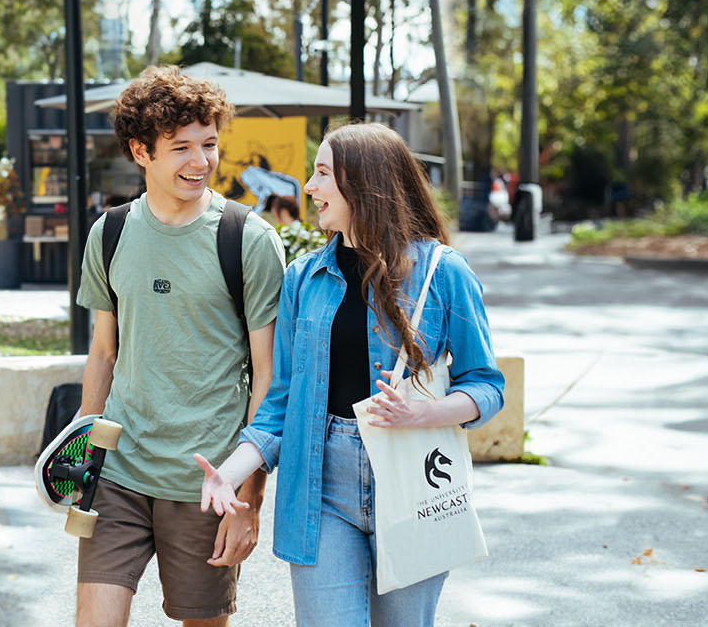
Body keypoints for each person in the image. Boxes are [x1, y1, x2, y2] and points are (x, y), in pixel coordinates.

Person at [193, 122, 505, 627]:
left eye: (321, 174)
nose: (309, 188)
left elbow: (487, 386)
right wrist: (230, 473)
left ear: (365, 182)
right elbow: (281, 401)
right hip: (320, 482)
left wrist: (422, 412)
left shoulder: (444, 272)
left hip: (412, 476)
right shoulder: (303, 278)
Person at [73, 65, 286, 627]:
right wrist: (79, 457)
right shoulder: (110, 232)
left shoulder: (249, 239)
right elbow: (103, 353)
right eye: (181, 147)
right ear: (141, 152)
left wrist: (248, 500)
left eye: (210, 144)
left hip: (207, 481)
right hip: (117, 469)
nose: (201, 161)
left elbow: (267, 378)